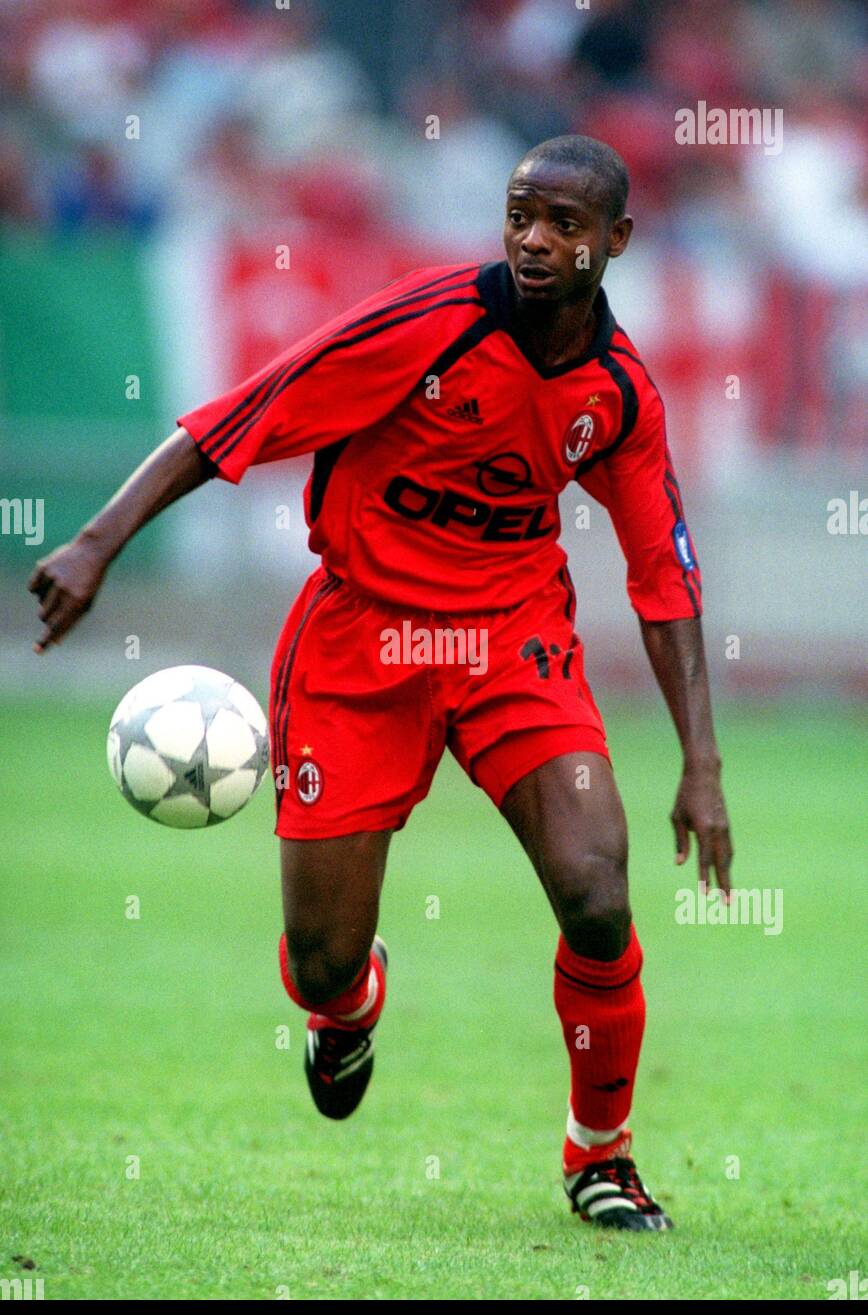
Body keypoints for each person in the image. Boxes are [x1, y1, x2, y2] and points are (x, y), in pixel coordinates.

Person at [29, 134, 732, 1232]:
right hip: (363, 644)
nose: (534, 239)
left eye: (563, 223)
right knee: (319, 959)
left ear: (616, 241)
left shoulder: (617, 391)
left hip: (510, 641)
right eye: (518, 215)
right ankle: (346, 1005)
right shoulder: (426, 324)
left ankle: (601, 1154)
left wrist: (701, 762)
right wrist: (94, 543)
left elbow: (663, 572)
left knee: (597, 893)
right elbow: (235, 419)